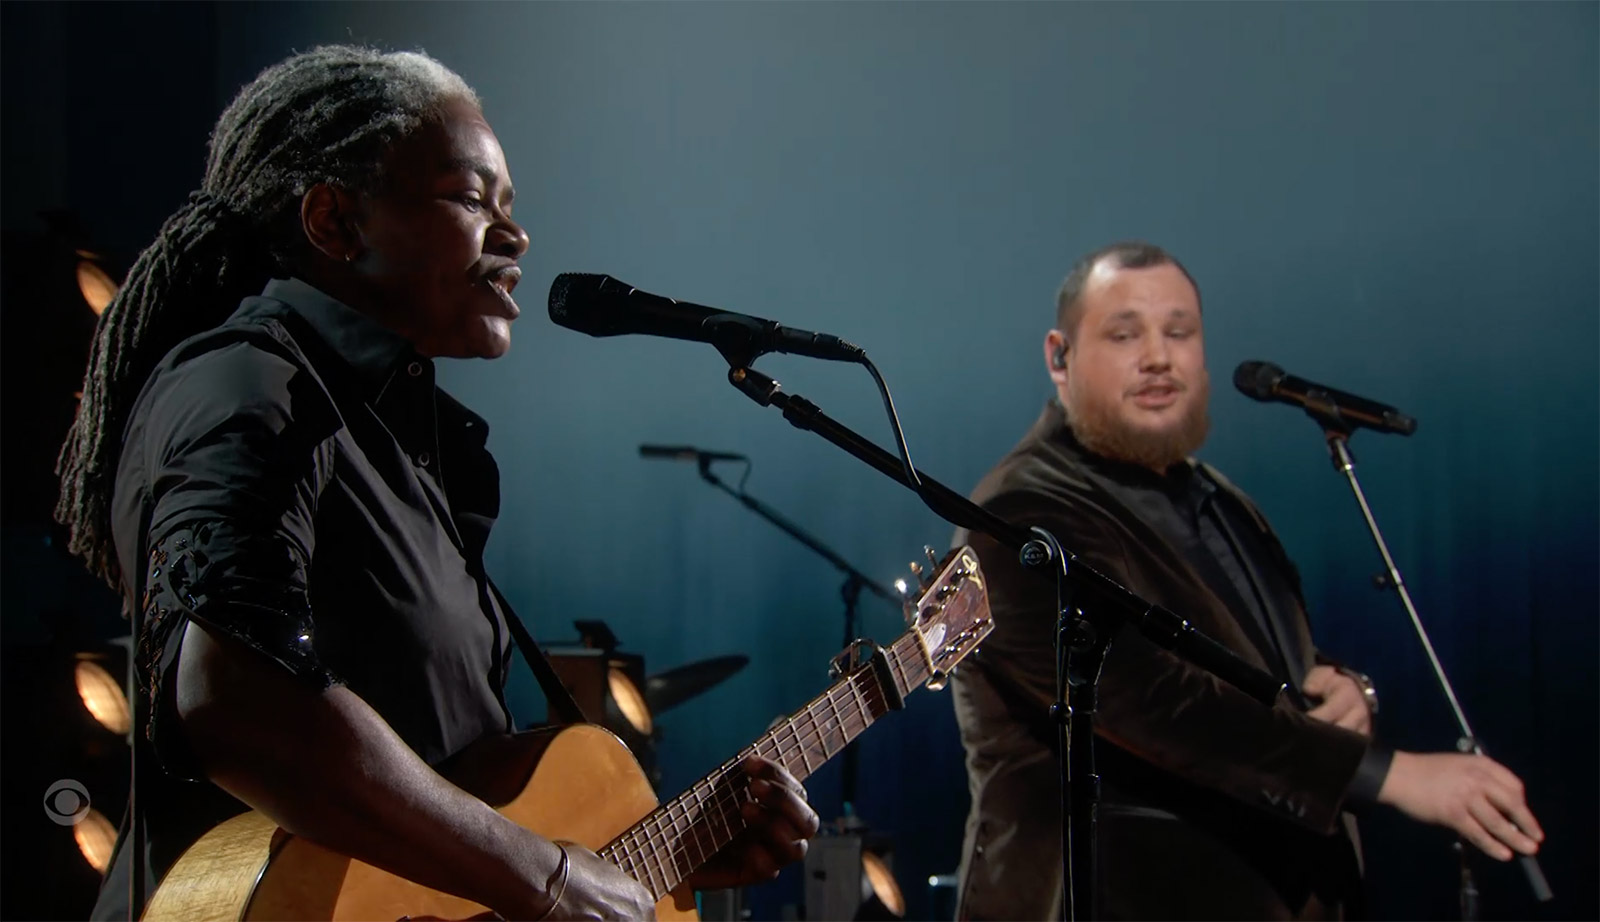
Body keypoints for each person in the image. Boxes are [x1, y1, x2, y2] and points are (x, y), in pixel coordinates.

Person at [56, 46, 818, 921]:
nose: (516, 236)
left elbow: (452, 788)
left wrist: (652, 858)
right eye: (470, 198)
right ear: (335, 223)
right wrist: (549, 877)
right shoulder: (246, 387)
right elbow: (237, 700)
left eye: (511, 208)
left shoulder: (400, 440)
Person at [948, 241, 1544, 920]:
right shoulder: (1017, 515)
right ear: (1059, 357)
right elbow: (1155, 700)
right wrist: (1389, 775)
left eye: (1179, 332)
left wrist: (1344, 687)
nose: (1158, 357)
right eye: (1124, 334)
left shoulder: (1221, 500)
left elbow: (1256, 665)